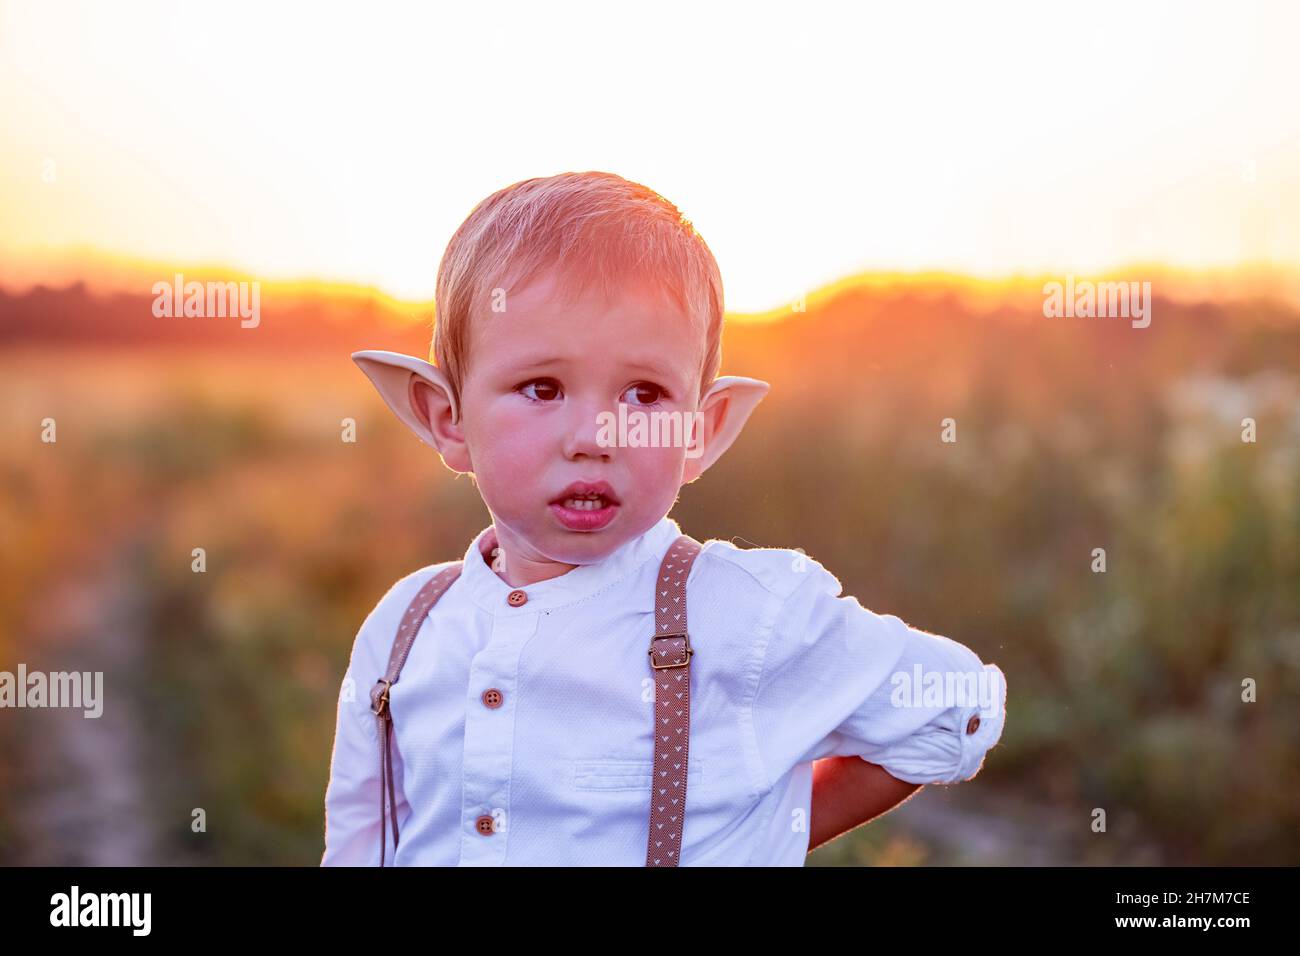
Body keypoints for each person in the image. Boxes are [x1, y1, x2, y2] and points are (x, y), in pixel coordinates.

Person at [321, 171, 1006, 865]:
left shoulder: (742, 615)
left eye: (644, 395)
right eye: (542, 388)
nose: (595, 436)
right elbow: (361, 837)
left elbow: (952, 711)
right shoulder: (405, 627)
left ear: (699, 431)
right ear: (449, 418)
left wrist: (766, 833)